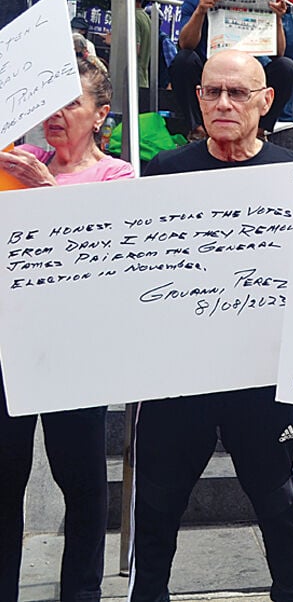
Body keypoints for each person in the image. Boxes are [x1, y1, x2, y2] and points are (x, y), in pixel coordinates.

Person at [130, 50, 293, 602]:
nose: (223, 103)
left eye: (237, 92)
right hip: (177, 381)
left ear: (266, 100)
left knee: (278, 505)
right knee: (156, 507)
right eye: (212, 92)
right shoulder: (164, 172)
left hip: (262, 381)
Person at [0, 56, 134, 602]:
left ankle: (81, 592)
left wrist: (49, 191)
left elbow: (106, 254)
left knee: (79, 482)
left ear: (100, 115)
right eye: (48, 104)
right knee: (4, 482)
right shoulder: (19, 157)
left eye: (71, 103)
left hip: (76, 351)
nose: (56, 115)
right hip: (10, 344)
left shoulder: (117, 175)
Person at [169, 0, 293, 141]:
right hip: (209, 74)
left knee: (287, 67)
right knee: (183, 60)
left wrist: (277, 18)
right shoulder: (195, 3)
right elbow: (185, 44)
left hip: (245, 76)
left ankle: (260, 131)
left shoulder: (258, 3)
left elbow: (279, 53)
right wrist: (200, 12)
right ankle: (198, 128)